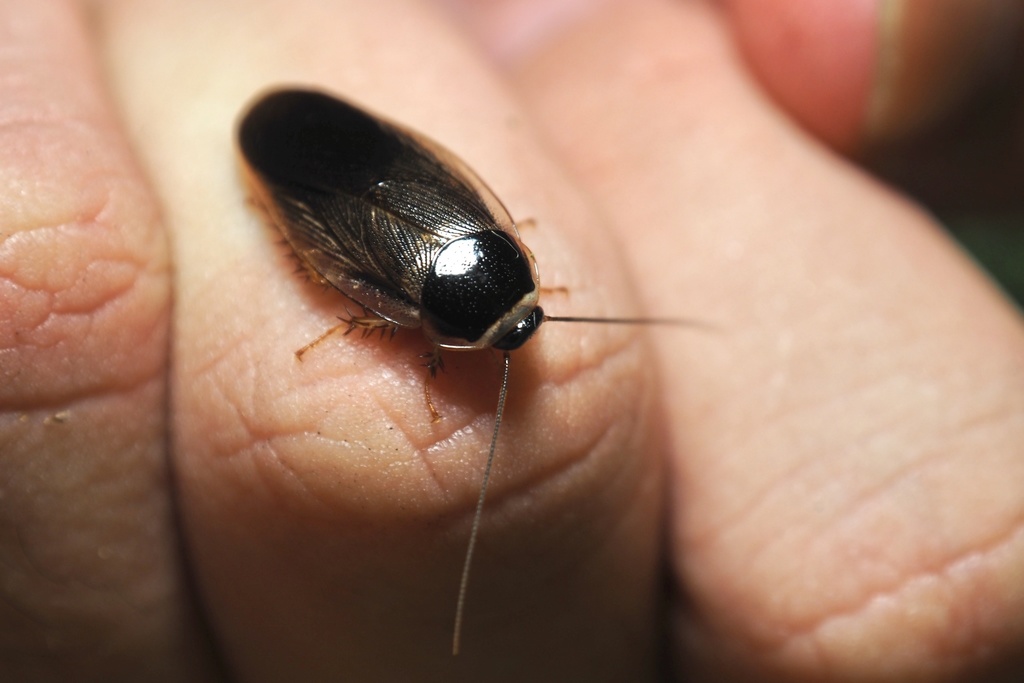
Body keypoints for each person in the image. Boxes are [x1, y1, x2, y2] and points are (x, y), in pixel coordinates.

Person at [2, 0, 1021, 680]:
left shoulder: (457, 294)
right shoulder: (445, 298)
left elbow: (357, 265)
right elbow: (359, 272)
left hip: (422, 217)